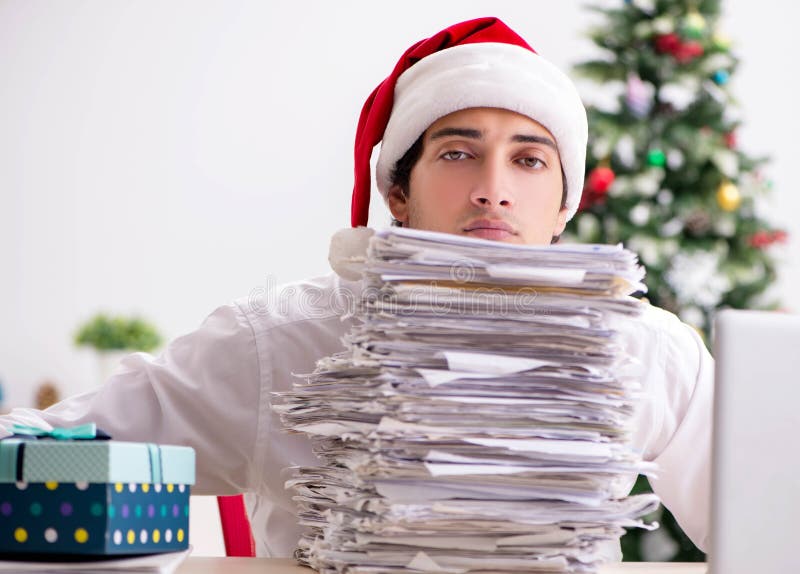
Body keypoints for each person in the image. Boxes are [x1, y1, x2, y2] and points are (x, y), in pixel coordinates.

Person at [0, 17, 712, 558]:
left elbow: (767, 518)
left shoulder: (649, 353)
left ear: (565, 207)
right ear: (396, 192)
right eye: (458, 153)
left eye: (529, 161)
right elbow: (49, 455)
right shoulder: (276, 341)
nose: (493, 190)